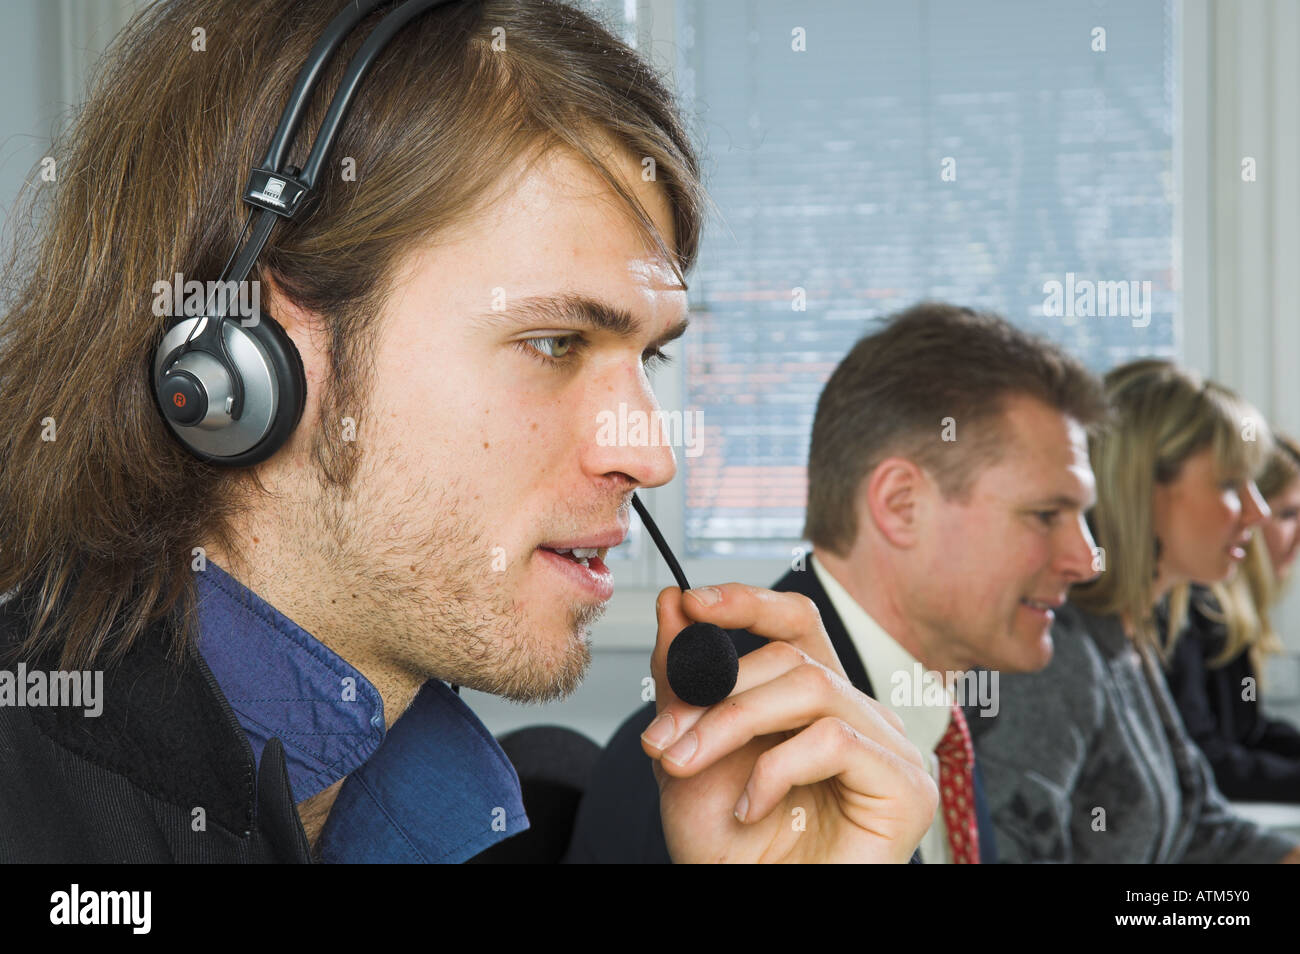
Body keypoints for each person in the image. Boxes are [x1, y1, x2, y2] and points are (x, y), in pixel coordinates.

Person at [0, 0, 935, 863]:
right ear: (242, 363)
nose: (651, 453)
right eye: (554, 341)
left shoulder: (464, 811)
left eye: (645, 358)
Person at [567, 302, 1108, 863]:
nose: (1088, 560)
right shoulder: (713, 761)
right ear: (901, 505)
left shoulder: (948, 724)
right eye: (1047, 514)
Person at [968, 360, 1300, 862]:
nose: (1256, 512)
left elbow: (1201, 827)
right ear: (1145, 489)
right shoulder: (1055, 656)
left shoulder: (1129, 638)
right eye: (1231, 485)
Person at [1163, 435, 1300, 802]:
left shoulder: (1233, 612)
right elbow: (1209, 761)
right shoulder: (1188, 608)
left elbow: (1246, 733)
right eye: (1288, 514)